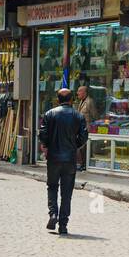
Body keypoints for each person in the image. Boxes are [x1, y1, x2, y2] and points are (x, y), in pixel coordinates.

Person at [38, 87, 87, 236]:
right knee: (67, 193)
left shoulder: (49, 114)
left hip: (53, 158)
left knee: (52, 187)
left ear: (58, 100)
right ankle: (63, 224)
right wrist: (74, 145)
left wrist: (46, 146)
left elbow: (43, 134)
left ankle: (53, 214)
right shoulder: (78, 116)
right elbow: (83, 136)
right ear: (71, 100)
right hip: (70, 159)